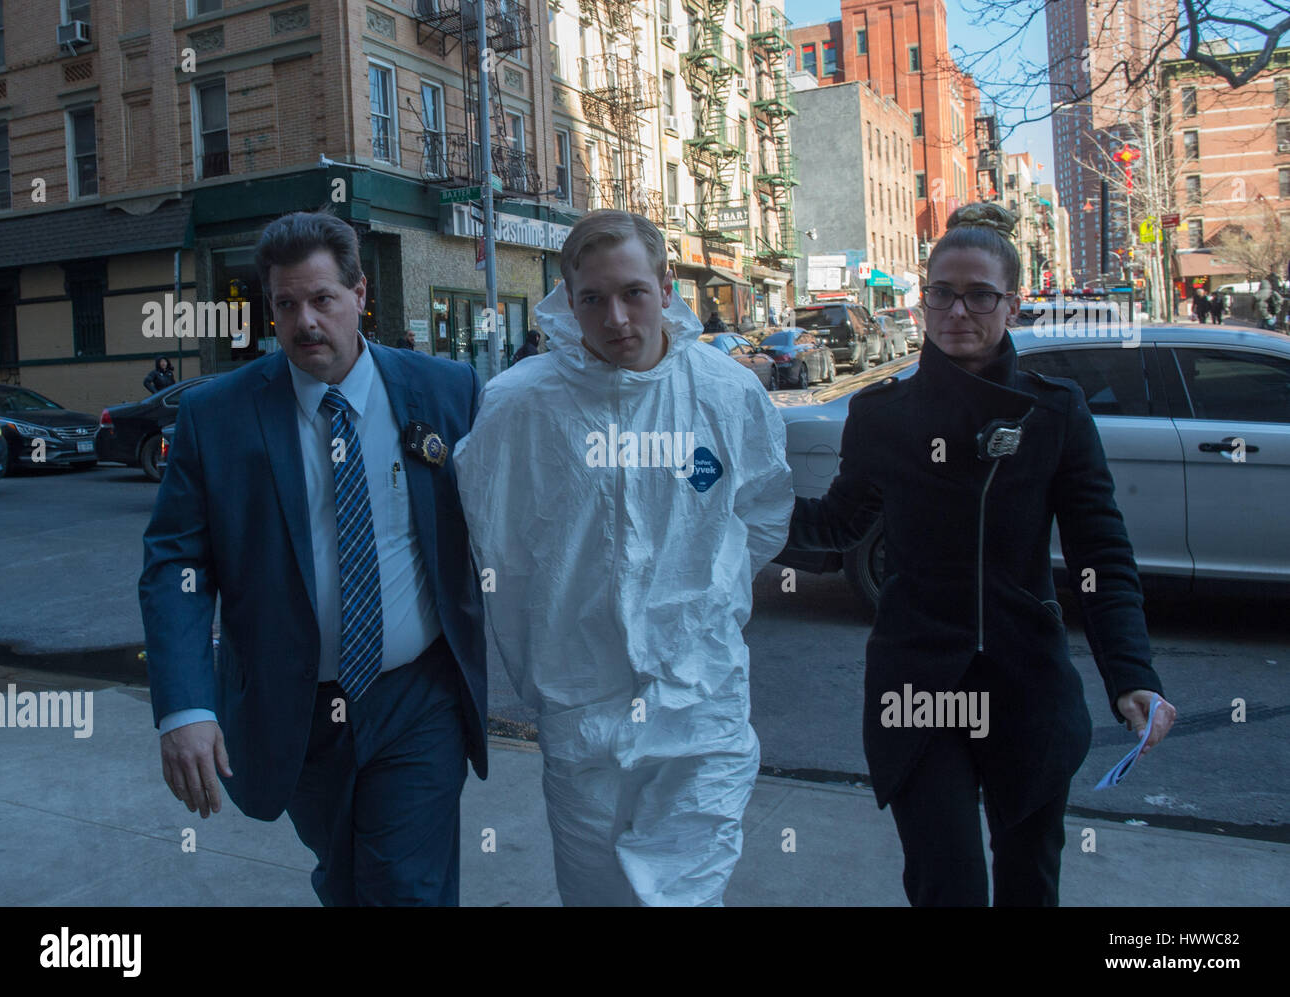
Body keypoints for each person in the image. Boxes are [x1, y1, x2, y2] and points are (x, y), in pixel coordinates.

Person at [787, 202, 1176, 906]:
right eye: (941, 292)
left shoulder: (1055, 411)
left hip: (1026, 684)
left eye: (979, 295)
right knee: (949, 883)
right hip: (918, 685)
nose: (957, 310)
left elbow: (1100, 552)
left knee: (1030, 883)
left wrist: (1131, 674)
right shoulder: (882, 414)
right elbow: (839, 523)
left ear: (1012, 303)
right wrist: (733, 506)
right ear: (923, 299)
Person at [140, 210, 488, 906]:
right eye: (286, 304)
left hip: (415, 695)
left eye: (322, 299)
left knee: (403, 886)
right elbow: (174, 563)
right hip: (294, 704)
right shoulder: (219, 416)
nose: (305, 322)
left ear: (360, 294)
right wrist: (185, 706)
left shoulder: (445, 392)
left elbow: (513, 504)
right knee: (346, 876)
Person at [453, 210, 793, 906]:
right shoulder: (522, 406)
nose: (615, 318)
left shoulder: (725, 395)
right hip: (582, 705)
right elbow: (494, 541)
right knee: (600, 890)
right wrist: (549, 657)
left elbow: (761, 514)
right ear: (566, 298)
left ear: (666, 286)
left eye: (633, 292)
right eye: (592, 299)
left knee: (687, 890)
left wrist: (702, 601)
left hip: (702, 698)